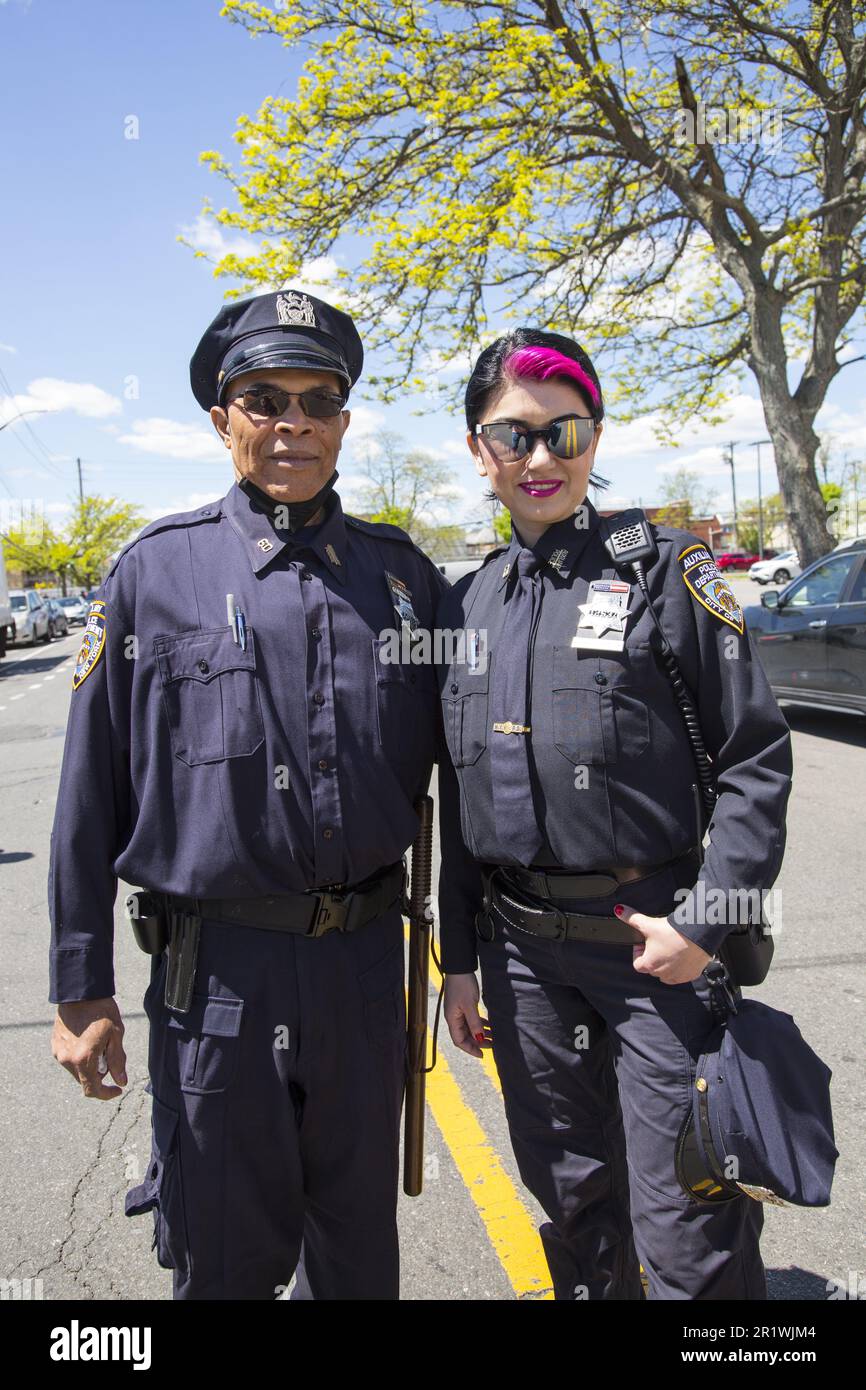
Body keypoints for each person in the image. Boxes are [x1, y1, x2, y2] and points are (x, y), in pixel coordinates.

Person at [49, 289, 446, 1300]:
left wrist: (477, 960)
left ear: (345, 424)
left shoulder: (404, 582)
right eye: (263, 398)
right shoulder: (153, 572)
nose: (292, 423)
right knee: (223, 1257)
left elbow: (472, 779)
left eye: (319, 400)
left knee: (356, 1262)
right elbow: (88, 792)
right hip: (217, 979)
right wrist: (80, 985)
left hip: (365, 970)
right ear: (221, 418)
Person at [436, 327, 793, 1300]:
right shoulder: (463, 607)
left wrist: (705, 922)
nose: (541, 457)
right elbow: (461, 802)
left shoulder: (662, 571)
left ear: (593, 437)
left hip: (652, 949)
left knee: (687, 1222)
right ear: (478, 448)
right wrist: (458, 961)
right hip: (518, 964)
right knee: (575, 1200)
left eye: (566, 431)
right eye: (515, 435)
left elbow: (754, 758)